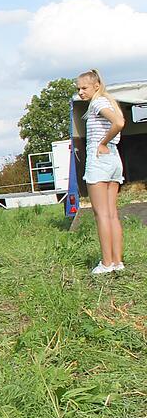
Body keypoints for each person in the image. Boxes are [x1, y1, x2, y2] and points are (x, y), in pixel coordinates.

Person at [77, 68, 126, 274]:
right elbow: (118, 120)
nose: (80, 92)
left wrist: (103, 142)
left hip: (100, 159)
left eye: (84, 87)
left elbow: (119, 123)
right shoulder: (107, 101)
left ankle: (106, 264)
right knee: (112, 214)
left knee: (102, 215)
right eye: (78, 88)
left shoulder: (97, 102)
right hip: (114, 159)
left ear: (96, 86)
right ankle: (117, 262)